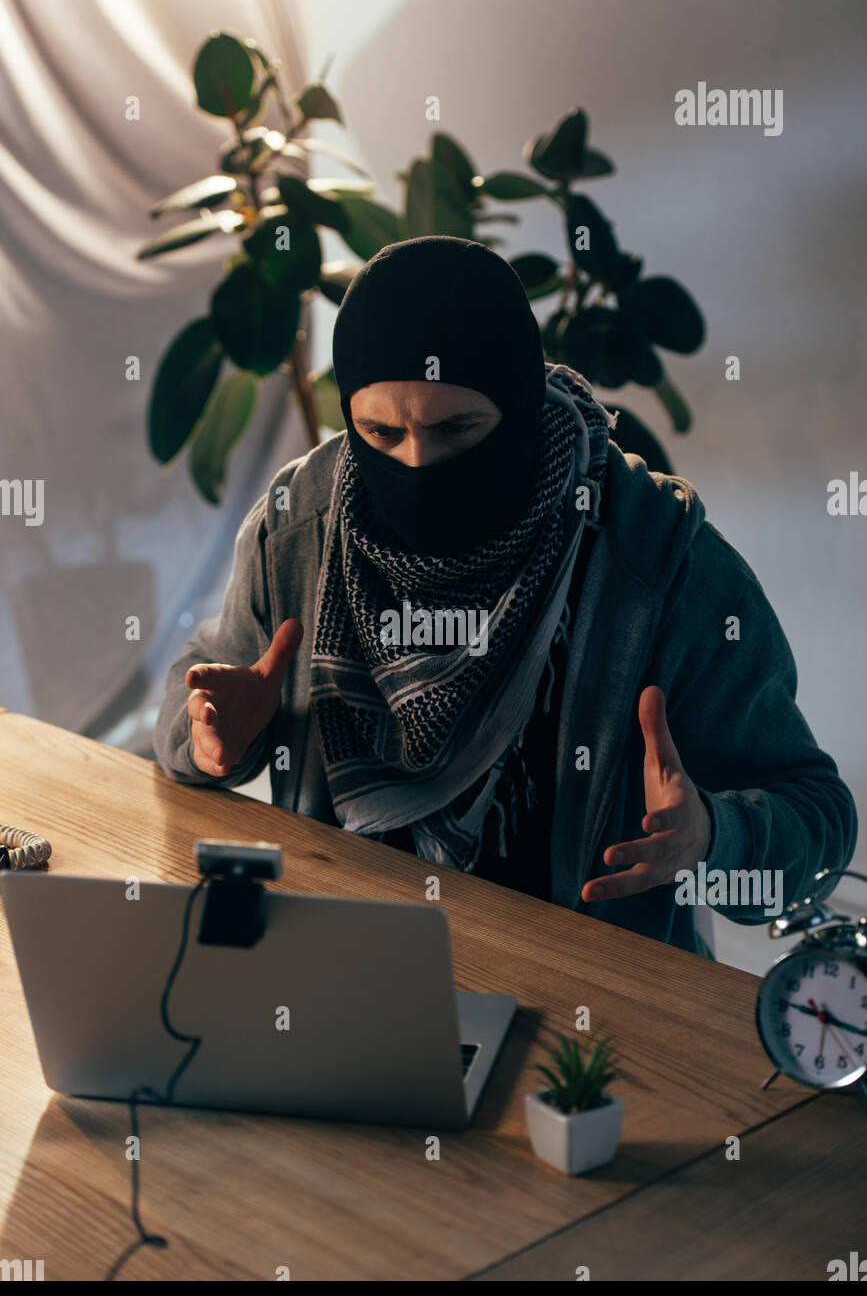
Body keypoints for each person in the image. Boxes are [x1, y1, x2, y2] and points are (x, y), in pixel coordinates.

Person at [154, 235, 857, 957]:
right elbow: (193, 702)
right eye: (380, 432)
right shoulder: (299, 523)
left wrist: (711, 835)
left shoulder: (658, 559)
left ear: (518, 404)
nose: (417, 465)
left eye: (457, 429)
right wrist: (213, 737)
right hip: (343, 967)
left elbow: (818, 824)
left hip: (588, 1014)